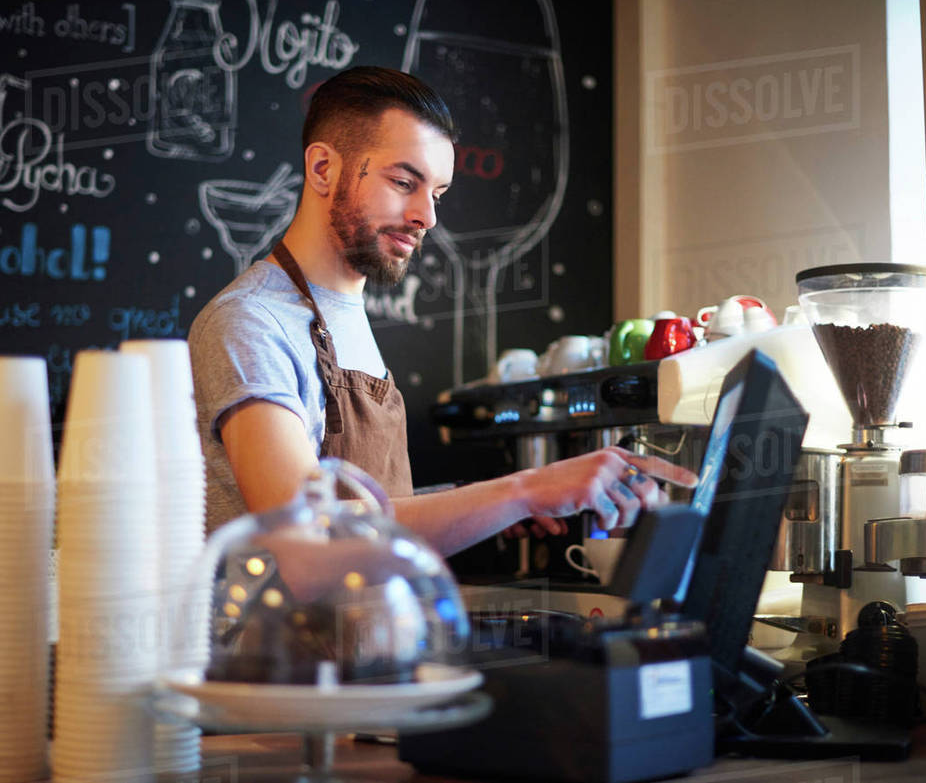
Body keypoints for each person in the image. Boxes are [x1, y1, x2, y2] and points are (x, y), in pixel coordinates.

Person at [188, 66, 696, 557]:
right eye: (404, 182)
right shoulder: (251, 322)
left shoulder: (341, 313)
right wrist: (520, 491)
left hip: (366, 639)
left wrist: (491, 505)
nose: (426, 217)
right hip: (280, 645)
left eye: (437, 193)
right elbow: (307, 546)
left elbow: (365, 509)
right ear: (323, 168)